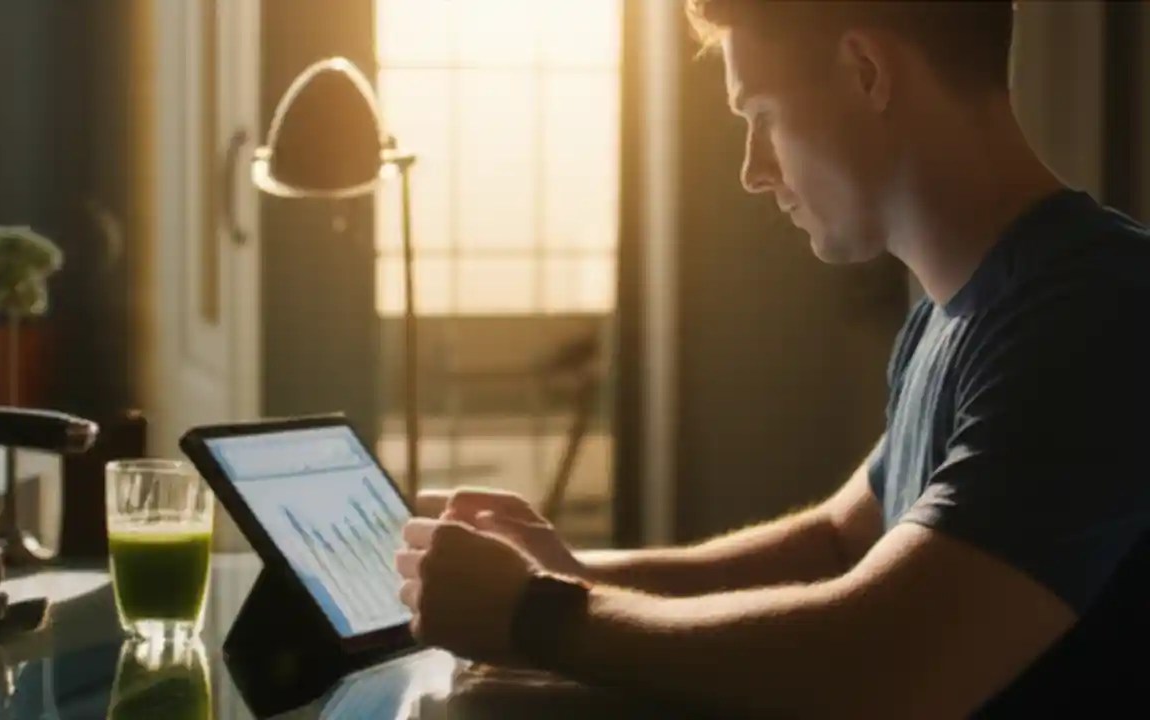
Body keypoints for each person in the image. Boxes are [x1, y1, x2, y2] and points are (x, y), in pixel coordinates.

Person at [396, 1, 1150, 716]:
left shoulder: (1095, 312)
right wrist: (574, 573)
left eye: (762, 115)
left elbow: (885, 669)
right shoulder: (952, 321)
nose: (753, 169)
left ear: (865, 72)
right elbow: (837, 543)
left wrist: (536, 612)